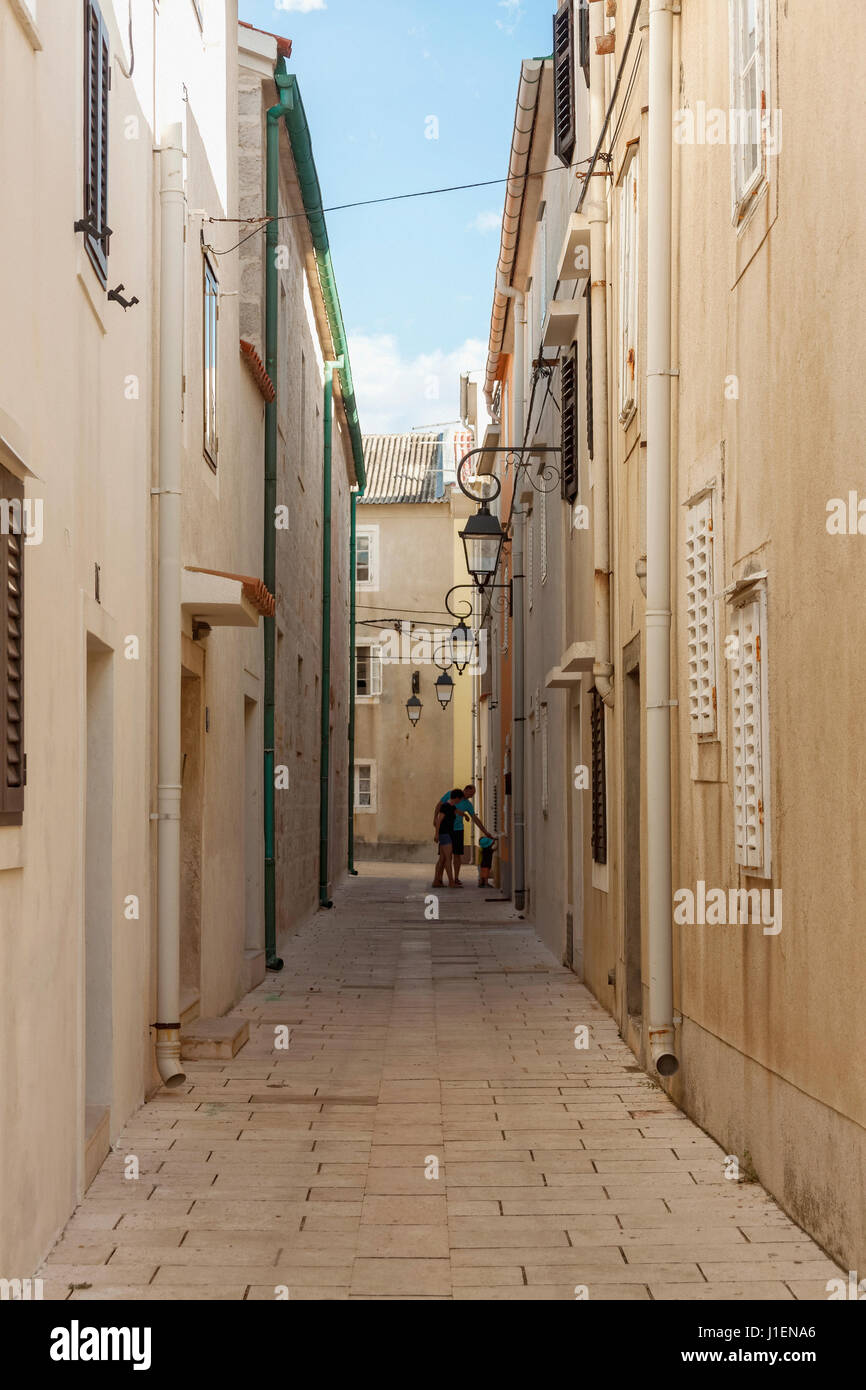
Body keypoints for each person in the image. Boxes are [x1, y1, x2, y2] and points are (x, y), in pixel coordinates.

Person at [433, 783, 492, 886]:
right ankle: (439, 879)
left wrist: (484, 831)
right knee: (445, 857)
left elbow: (470, 817)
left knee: (454, 855)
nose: (471, 796)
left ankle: (454, 879)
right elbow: (439, 806)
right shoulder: (450, 797)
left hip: (457, 830)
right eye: (471, 793)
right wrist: (435, 820)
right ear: (466, 790)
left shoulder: (465, 804)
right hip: (446, 831)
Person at [433, 789, 465, 889]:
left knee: (442, 858)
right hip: (444, 834)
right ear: (457, 798)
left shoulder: (452, 807)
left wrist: (465, 816)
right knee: (448, 858)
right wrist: (436, 834)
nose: (460, 801)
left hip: (448, 834)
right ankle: (451, 882)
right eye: (460, 799)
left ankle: (436, 881)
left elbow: (457, 811)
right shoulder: (445, 806)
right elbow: (439, 820)